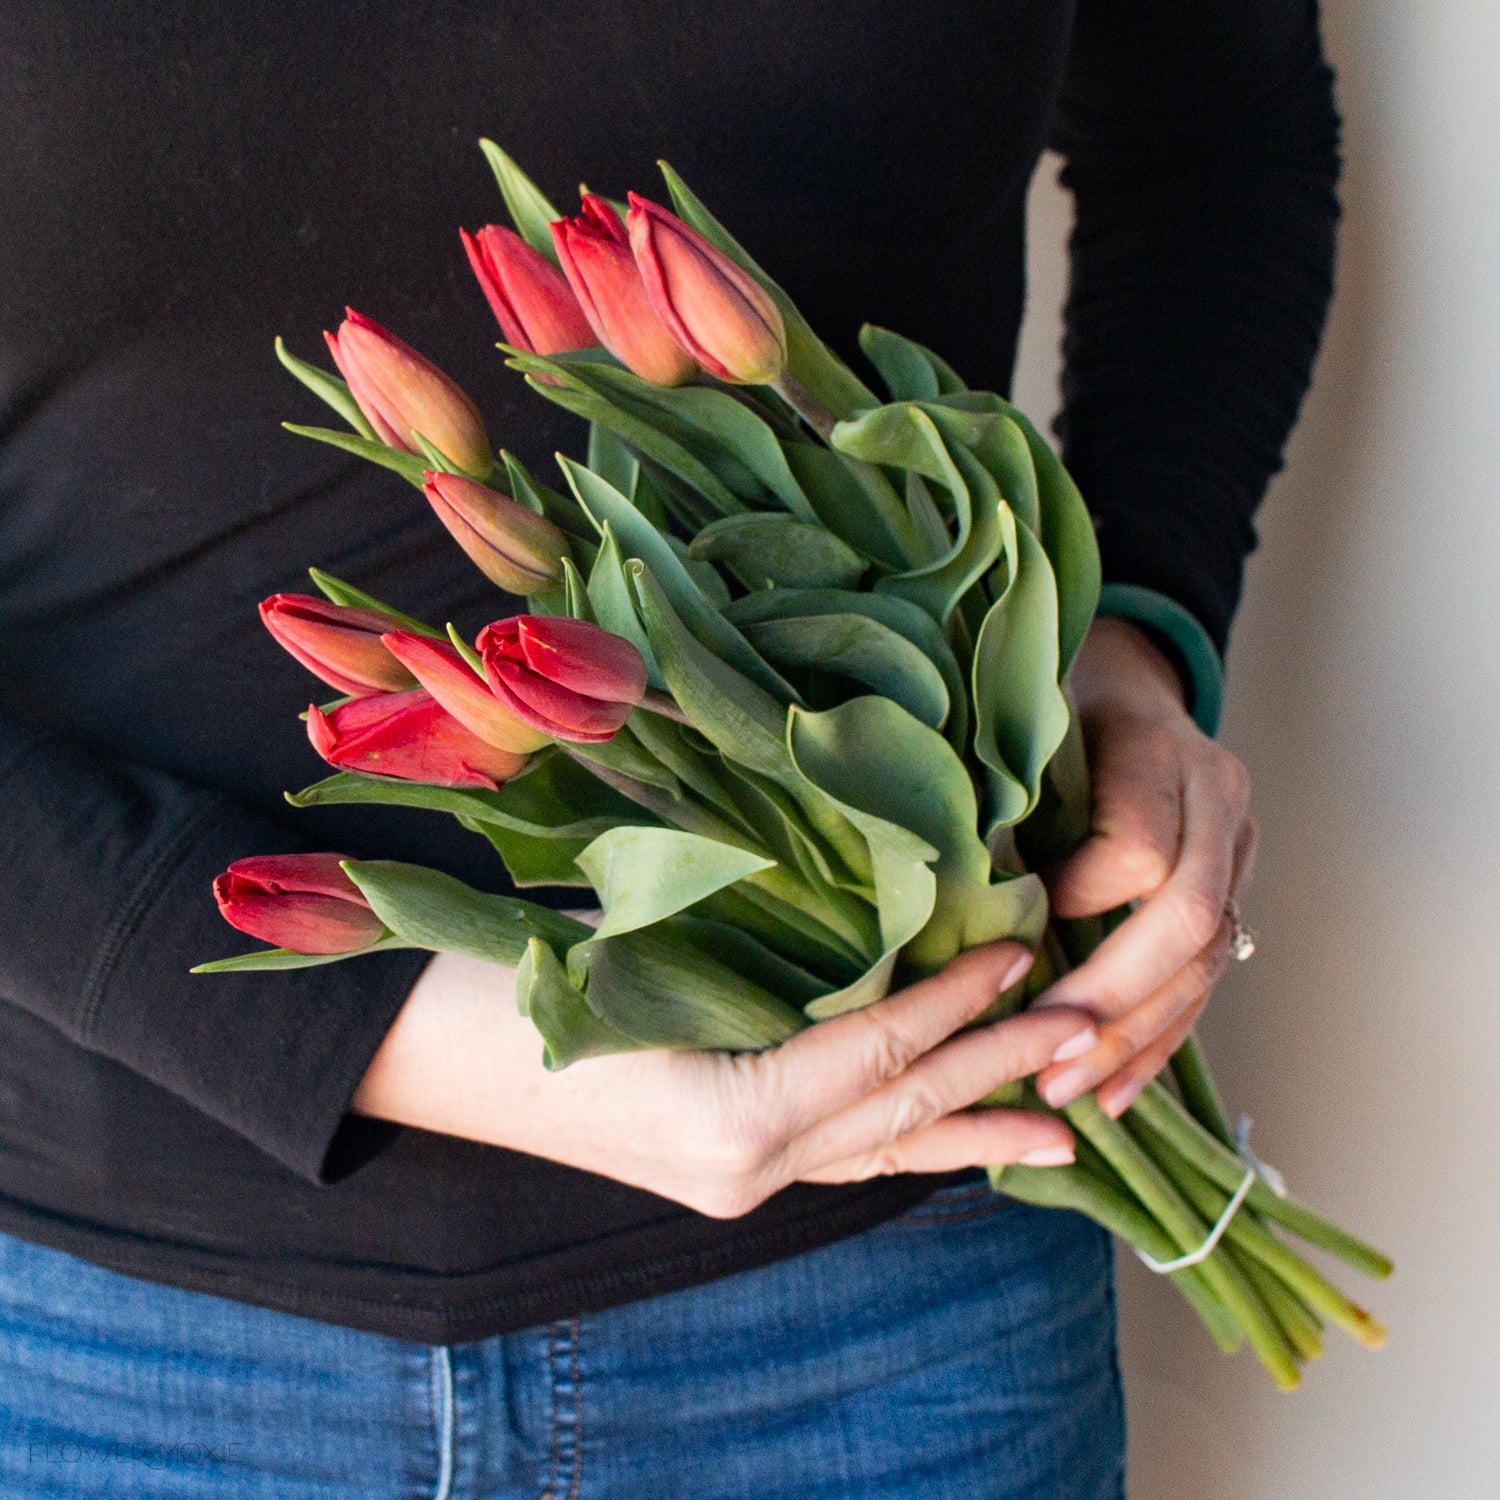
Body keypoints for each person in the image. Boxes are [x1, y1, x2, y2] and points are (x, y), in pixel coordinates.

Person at [0, 2, 1338, 1496]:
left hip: (904, 1278)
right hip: (115, 1345)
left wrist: (1125, 645)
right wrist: (395, 1037)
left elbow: (1214, 140)